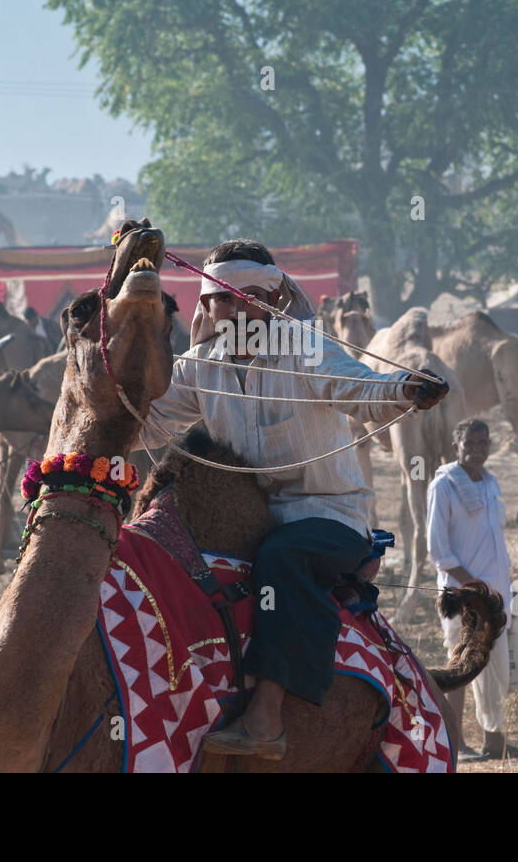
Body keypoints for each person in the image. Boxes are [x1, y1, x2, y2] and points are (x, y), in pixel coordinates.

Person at [137, 238, 449, 759]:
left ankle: (266, 718)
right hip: (248, 524)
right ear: (206, 304)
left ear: (269, 302)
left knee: (284, 556)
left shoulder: (305, 349)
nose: (231, 309)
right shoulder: (199, 366)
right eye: (220, 299)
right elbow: (144, 423)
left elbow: (360, 388)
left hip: (327, 520)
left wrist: (405, 389)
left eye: (243, 298)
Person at [427, 417, 515, 760]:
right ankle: (456, 743)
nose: (477, 451)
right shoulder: (444, 485)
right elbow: (439, 552)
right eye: (470, 445)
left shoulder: (491, 482)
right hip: (462, 597)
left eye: (483, 444)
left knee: (496, 669)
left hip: (496, 596)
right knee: (461, 668)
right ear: (456, 448)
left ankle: (495, 741)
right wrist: (473, 587)